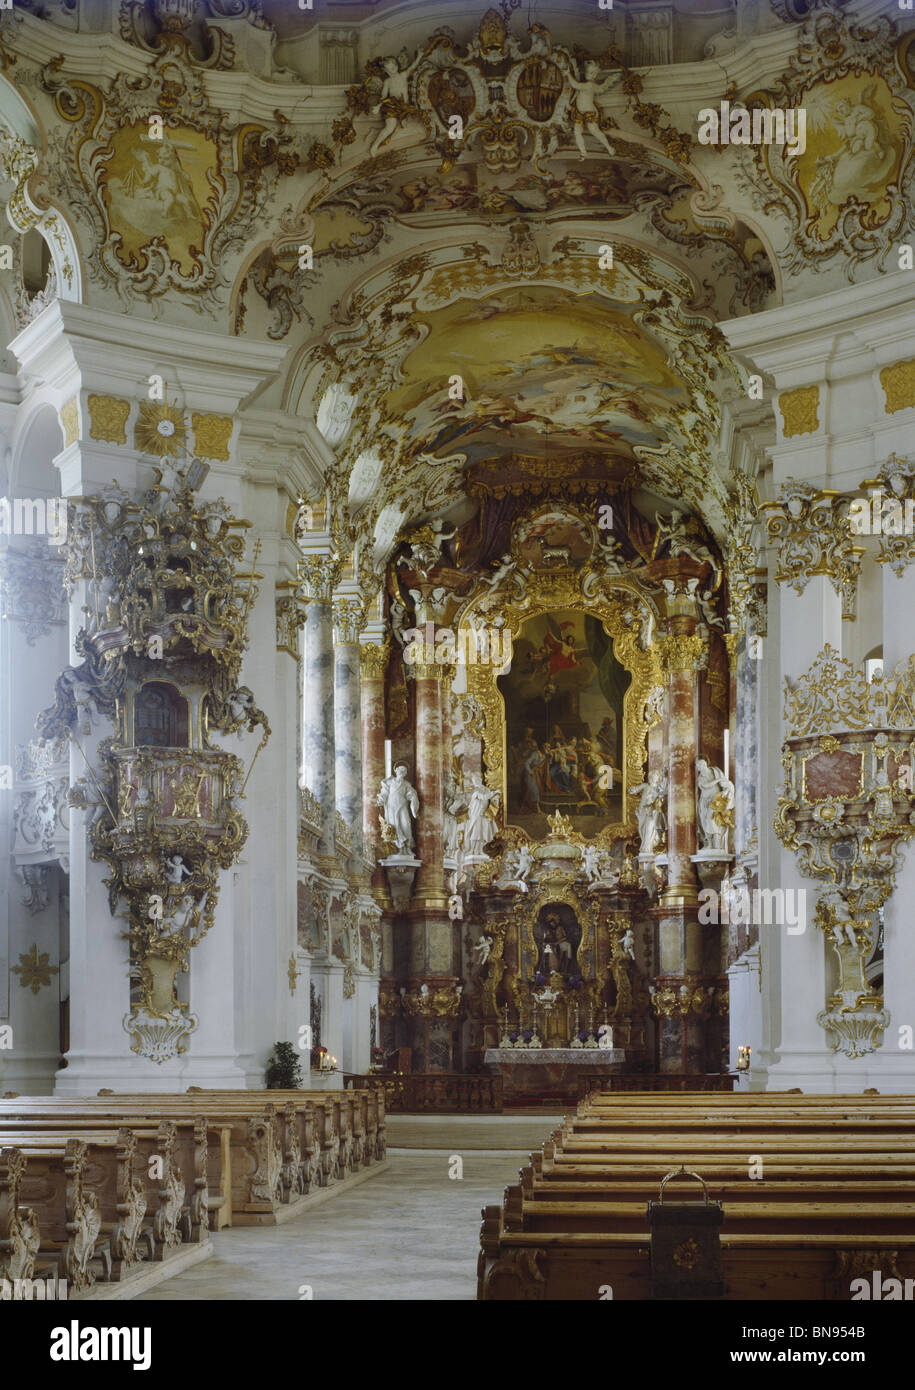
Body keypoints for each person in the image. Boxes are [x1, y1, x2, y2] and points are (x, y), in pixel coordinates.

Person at [376, 764, 420, 854]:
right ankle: (398, 848)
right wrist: (381, 800)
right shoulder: (389, 782)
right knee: (395, 825)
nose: (401, 773)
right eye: (400, 770)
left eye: (403, 772)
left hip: (402, 806)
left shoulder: (406, 784)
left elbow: (412, 794)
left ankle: (407, 847)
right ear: (396, 771)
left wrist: (413, 798)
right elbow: (384, 793)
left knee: (406, 824)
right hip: (392, 806)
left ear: (405, 774)